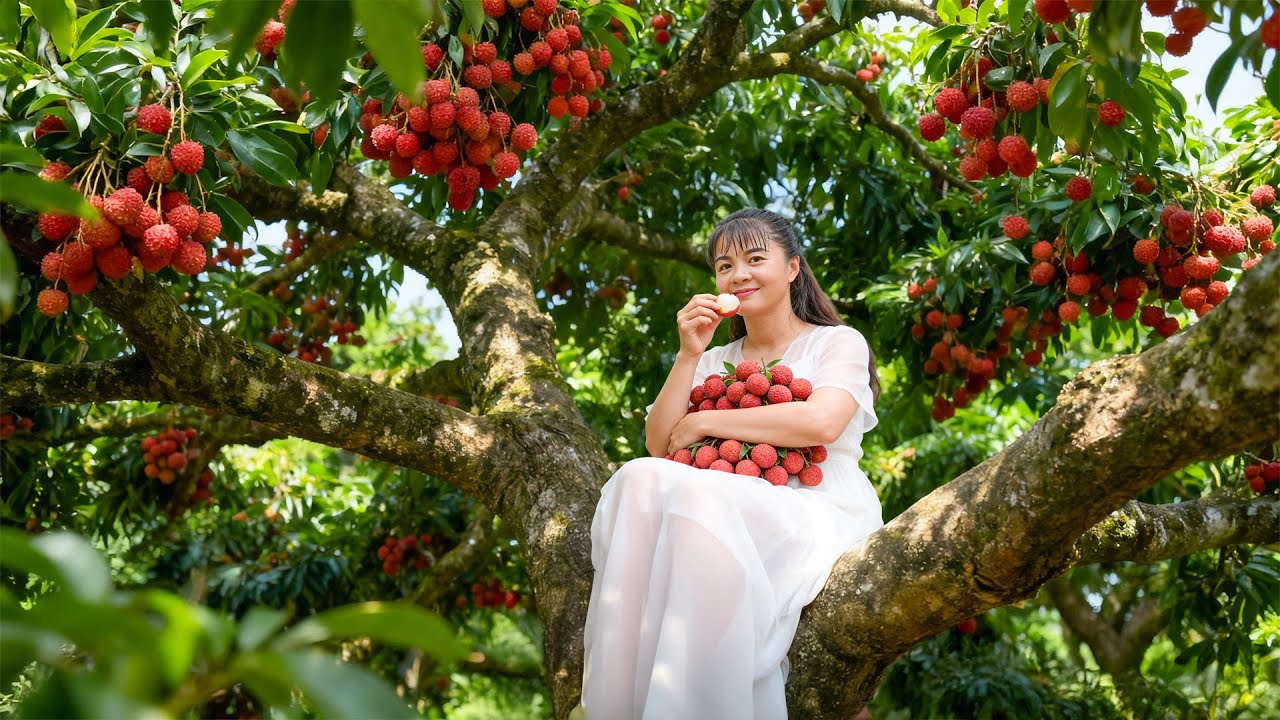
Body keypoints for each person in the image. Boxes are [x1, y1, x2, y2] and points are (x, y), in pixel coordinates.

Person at [579, 208, 884, 719]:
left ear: (792, 268)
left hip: (813, 508)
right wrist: (687, 354)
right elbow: (657, 446)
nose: (738, 275)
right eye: (724, 266)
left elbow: (822, 422)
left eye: (755, 258)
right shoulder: (712, 362)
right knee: (634, 477)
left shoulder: (837, 342)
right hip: (724, 503)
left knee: (695, 495)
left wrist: (706, 424)